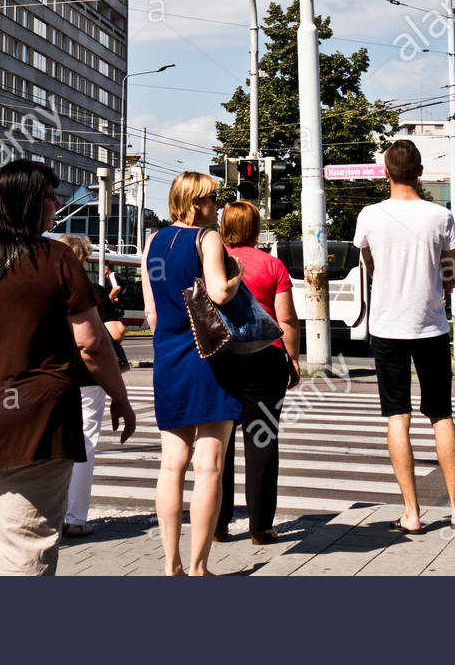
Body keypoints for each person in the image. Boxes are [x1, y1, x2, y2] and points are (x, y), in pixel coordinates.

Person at [0, 160, 136, 576]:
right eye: (51, 197)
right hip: (36, 422)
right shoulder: (56, 259)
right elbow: (91, 344)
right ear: (33, 203)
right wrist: (119, 397)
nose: (56, 205)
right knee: (27, 537)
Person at [353, 139, 455, 534]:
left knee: (397, 416)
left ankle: (411, 513)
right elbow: (452, 277)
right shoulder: (440, 216)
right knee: (441, 414)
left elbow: (369, 263)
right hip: (431, 327)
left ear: (385, 172)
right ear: (420, 171)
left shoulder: (369, 216)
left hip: (388, 326)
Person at [142, 171, 242, 576]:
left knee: (171, 465)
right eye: (213, 199)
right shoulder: (208, 238)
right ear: (197, 202)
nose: (217, 206)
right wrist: (236, 277)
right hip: (209, 358)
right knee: (209, 465)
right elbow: (218, 293)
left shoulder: (153, 242)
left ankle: (171, 564)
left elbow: (151, 313)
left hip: (169, 356)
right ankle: (199, 568)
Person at [214, 201, 301, 546]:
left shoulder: (213, 261)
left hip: (222, 356)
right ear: (255, 228)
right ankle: (260, 527)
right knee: (261, 438)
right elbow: (288, 320)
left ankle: (218, 524)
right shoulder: (272, 265)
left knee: (219, 440)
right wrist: (292, 359)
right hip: (266, 357)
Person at [58, 235, 129, 538]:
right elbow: (116, 330)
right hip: (88, 378)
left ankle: (50, 514)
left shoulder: (42, 288)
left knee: (53, 445)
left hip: (51, 376)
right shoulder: (94, 291)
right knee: (85, 444)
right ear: (84, 259)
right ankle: (75, 519)